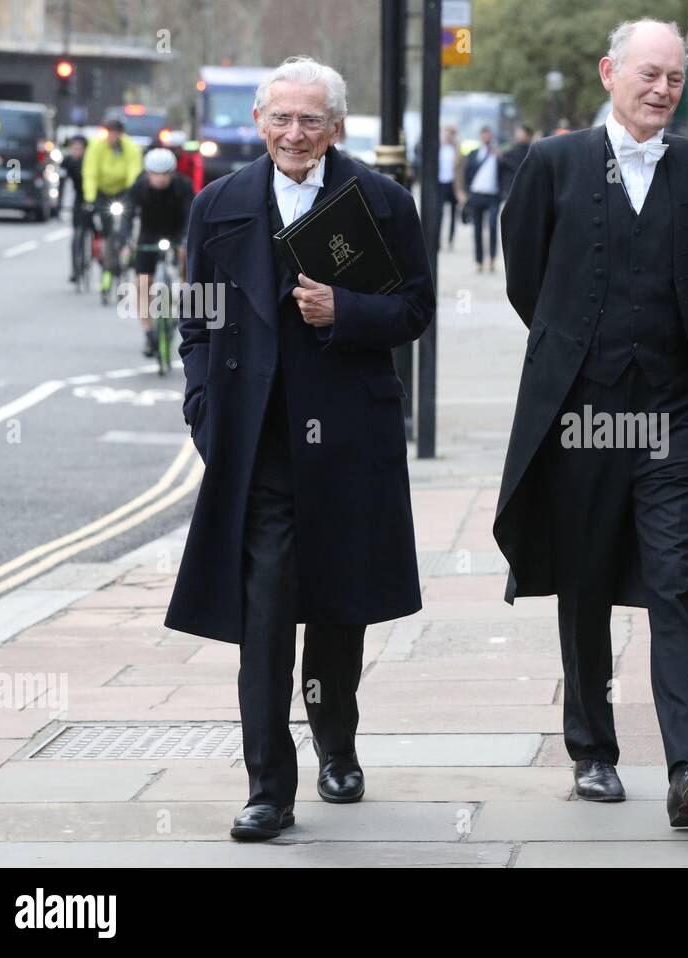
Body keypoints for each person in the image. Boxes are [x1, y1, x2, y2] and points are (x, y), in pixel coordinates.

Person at [163, 56, 436, 842]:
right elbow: (196, 322)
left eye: (310, 120)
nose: (294, 133)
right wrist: (204, 408)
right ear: (258, 123)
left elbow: (416, 306)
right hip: (261, 448)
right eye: (280, 118)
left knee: (339, 608)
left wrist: (344, 309)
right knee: (266, 612)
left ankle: (337, 742)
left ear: (335, 127)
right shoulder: (217, 204)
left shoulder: (382, 202)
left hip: (349, 438)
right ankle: (266, 788)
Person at [494, 19, 688, 828]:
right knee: (586, 585)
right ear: (611, 72)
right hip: (583, 415)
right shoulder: (552, 163)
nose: (662, 90)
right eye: (649, 74)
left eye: (675, 78)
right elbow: (527, 282)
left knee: (678, 583)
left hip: (676, 417)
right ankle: (593, 752)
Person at [124, 147, 194, 357]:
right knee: (142, 284)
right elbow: (126, 216)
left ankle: (182, 302)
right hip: (149, 235)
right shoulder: (138, 188)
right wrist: (127, 242)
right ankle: (148, 333)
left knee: (187, 262)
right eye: (156, 174)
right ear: (148, 173)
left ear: (172, 173)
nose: (161, 179)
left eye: (165, 174)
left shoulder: (183, 186)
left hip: (176, 233)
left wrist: (185, 241)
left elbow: (191, 215)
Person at [82, 119, 143, 296]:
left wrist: (134, 196)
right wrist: (90, 199)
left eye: (118, 133)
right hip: (103, 191)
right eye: (111, 132)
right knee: (107, 230)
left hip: (124, 191)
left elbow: (134, 173)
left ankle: (126, 253)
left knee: (126, 224)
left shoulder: (131, 148)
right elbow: (90, 173)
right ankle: (107, 269)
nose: (114, 136)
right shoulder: (96, 147)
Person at [462, 125, 502, 272]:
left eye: (488, 134)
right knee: (477, 228)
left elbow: (507, 170)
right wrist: (465, 192)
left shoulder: (498, 153)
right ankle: (479, 260)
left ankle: (491, 258)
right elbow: (466, 172)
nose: (486, 137)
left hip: (493, 196)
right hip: (477, 195)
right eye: (483, 134)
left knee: (492, 225)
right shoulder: (474, 153)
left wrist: (501, 157)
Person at [59, 135, 87, 281]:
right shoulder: (68, 161)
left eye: (79, 148)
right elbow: (61, 183)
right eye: (73, 148)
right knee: (76, 234)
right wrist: (59, 206)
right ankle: (76, 269)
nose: (76, 151)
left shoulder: (90, 162)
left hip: (92, 197)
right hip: (78, 197)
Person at [435, 125, 466, 249]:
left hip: (453, 185)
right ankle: (437, 239)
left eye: (449, 135)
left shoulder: (457, 150)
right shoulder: (439, 148)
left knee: (453, 213)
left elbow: (462, 169)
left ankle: (450, 239)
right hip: (441, 183)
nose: (446, 137)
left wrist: (462, 188)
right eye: (445, 134)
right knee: (439, 213)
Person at [498, 124, 533, 200]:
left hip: (516, 187)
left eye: (521, 133)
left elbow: (517, 165)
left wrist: (502, 157)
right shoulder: (515, 147)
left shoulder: (527, 149)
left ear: (528, 135)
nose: (518, 134)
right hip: (510, 187)